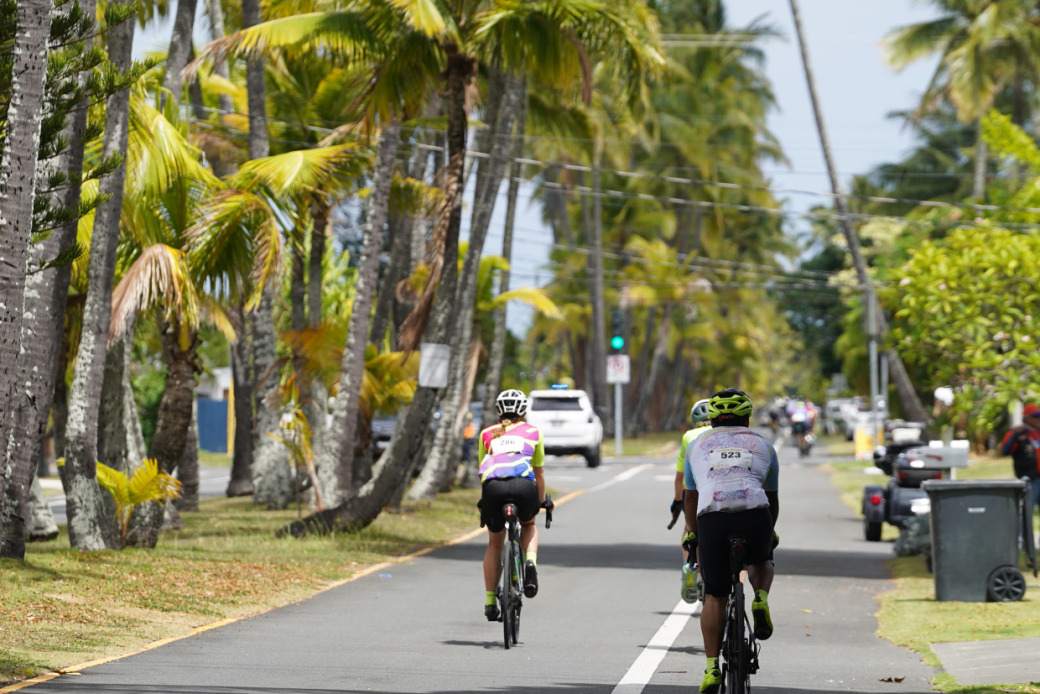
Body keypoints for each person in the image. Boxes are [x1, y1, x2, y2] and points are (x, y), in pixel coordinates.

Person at [682, 388, 779, 694]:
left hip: (713, 518)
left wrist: (692, 531)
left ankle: (711, 669)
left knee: (715, 595)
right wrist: (769, 530)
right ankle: (760, 598)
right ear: (747, 418)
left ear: (711, 419)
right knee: (762, 557)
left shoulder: (696, 446)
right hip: (754, 514)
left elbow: (691, 496)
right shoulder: (765, 446)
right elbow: (771, 499)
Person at [477, 389, 546, 621]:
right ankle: (529, 561)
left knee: (494, 543)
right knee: (529, 524)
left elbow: (484, 472)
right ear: (523, 411)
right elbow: (538, 472)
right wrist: (542, 500)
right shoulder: (534, 432)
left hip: (493, 489)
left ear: (498, 411)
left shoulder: (487, 434)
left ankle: (489, 602)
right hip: (524, 489)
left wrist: (483, 502)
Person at [672, 399, 712, 601]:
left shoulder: (689, 436)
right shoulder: (725, 435)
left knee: (689, 529)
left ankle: (690, 568)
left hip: (695, 492)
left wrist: (677, 502)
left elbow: (680, 476)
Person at [1000, 402, 1040, 518]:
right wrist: (1015, 435)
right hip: (1028, 480)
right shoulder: (1017, 433)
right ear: (1026, 418)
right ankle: (1022, 536)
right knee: (1025, 513)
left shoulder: (1038, 433)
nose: (1038, 419)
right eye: (1035, 416)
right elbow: (1005, 451)